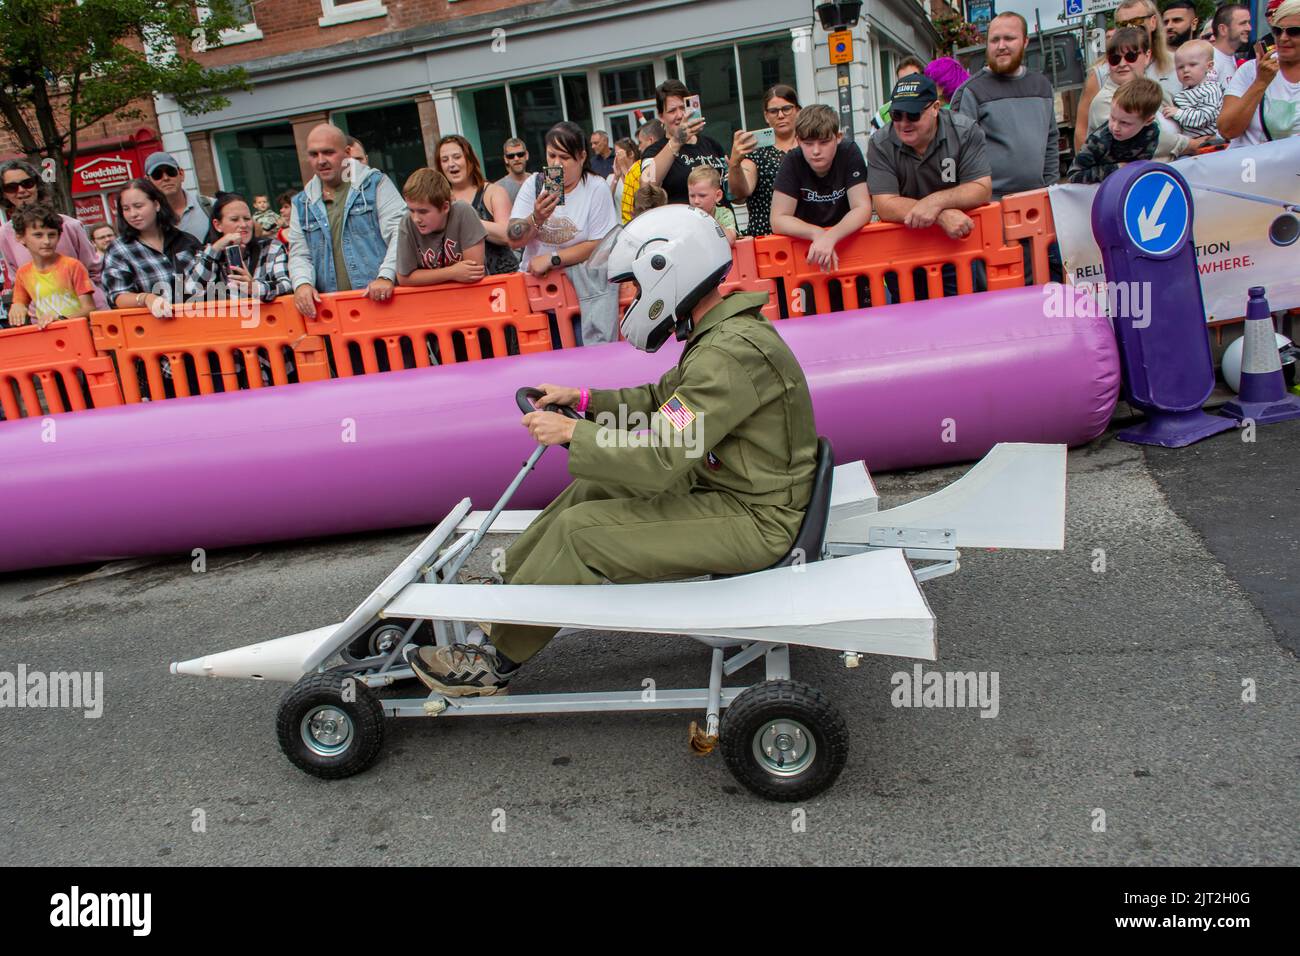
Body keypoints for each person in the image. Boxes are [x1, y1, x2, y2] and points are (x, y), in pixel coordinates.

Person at [402, 205, 818, 697]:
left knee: (584, 534)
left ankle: (494, 660)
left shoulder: (729, 355)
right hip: (729, 487)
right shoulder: (719, 338)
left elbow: (661, 458)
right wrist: (583, 401)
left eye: (636, 287)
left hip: (756, 517)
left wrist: (572, 434)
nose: (633, 300)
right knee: (593, 486)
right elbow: (659, 404)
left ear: (669, 273)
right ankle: (511, 591)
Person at [287, 124, 405, 319]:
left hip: (383, 308)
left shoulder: (375, 183)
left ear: (347, 152)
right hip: (333, 315)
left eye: (328, 152)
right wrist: (302, 284)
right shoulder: (302, 202)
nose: (321, 160)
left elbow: (400, 233)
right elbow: (300, 253)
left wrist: (386, 276)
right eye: (314, 154)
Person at [867, 75, 992, 241]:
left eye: (913, 115)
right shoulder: (880, 143)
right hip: (907, 245)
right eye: (896, 115)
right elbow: (884, 205)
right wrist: (940, 214)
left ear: (935, 108)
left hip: (961, 240)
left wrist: (935, 202)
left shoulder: (964, 132)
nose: (904, 123)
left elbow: (981, 189)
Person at [952, 12, 1059, 198]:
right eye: (994, 40)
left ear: (1025, 42)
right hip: (991, 204)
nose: (1001, 46)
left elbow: (1051, 141)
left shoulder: (1042, 86)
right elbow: (958, 154)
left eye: (1009, 38)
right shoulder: (970, 92)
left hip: (1037, 199)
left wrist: (1051, 190)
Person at [505, 121, 619, 277]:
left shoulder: (596, 187)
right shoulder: (535, 184)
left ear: (582, 157)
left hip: (579, 283)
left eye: (564, 157)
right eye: (551, 155)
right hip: (534, 281)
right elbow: (513, 241)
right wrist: (536, 218)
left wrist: (553, 259)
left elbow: (600, 243)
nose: (556, 163)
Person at [770, 104, 872, 272]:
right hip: (806, 257)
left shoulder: (849, 152)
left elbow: (862, 207)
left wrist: (831, 237)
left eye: (824, 142)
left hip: (851, 249)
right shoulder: (792, 161)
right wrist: (817, 233)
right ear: (798, 141)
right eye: (808, 144)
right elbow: (778, 219)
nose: (816, 151)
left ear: (838, 137)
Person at [1074, 0, 1179, 151]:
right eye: (1123, 25)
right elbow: (1082, 131)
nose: (1131, 28)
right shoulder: (1101, 73)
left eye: (1137, 22)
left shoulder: (1176, 64)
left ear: (1153, 22)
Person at [1, 159, 106, 309]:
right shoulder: (5, 234)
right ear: (4, 194)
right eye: (11, 187)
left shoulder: (70, 225)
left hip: (88, 313)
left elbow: (94, 271)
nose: (21, 190)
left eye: (27, 183)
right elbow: (18, 281)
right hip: (45, 321)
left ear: (37, 184)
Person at [1085, 28, 1199, 159]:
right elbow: (1137, 141)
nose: (1122, 64)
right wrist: (1191, 144)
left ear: (1147, 56)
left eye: (1131, 56)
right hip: (1140, 177)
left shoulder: (1158, 92)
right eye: (1115, 59)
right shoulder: (1104, 101)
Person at [101, 177, 203, 315]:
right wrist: (146, 298)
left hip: (199, 323)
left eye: (138, 206)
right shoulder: (119, 250)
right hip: (153, 330)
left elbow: (210, 283)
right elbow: (118, 296)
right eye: (126, 209)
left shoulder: (186, 241)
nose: (133, 214)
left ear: (156, 204)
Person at [185, 192, 293, 302]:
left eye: (247, 218)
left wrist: (255, 288)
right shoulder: (206, 254)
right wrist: (215, 249)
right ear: (218, 225)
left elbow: (287, 284)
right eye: (234, 219)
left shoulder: (271, 247)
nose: (243, 225)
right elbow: (191, 289)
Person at [1219, 0, 1300, 146]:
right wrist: (1261, 82)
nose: (1283, 38)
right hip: (1249, 165)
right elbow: (1227, 130)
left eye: (1294, 31)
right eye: (1277, 30)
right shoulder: (1250, 70)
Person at [436, 134, 518, 276]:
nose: (451, 164)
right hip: (461, 286)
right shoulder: (438, 201)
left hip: (500, 281)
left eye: (457, 157)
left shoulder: (493, 192)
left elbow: (507, 235)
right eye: (445, 160)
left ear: (470, 160)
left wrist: (468, 220)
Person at [727, 84, 801, 238]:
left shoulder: (810, 146)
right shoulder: (756, 151)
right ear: (766, 116)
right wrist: (734, 163)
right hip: (767, 237)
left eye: (786, 108)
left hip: (805, 233)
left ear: (797, 110)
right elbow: (740, 193)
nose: (780, 115)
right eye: (773, 111)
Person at [5, 204, 96, 329]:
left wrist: (60, 319)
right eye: (38, 235)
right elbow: (19, 302)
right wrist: (17, 307)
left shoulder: (72, 265)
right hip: (47, 337)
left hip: (78, 333)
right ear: (20, 238)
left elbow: (89, 308)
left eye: (52, 235)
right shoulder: (23, 272)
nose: (47, 241)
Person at [640, 80, 730, 205]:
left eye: (683, 108)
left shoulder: (711, 144)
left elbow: (733, 194)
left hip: (722, 222)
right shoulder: (654, 150)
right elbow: (646, 186)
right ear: (661, 116)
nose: (680, 115)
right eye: (672, 111)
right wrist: (677, 140)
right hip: (685, 222)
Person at [394, 168, 486, 287]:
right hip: (431, 300)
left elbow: (473, 272)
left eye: (423, 211)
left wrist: (424, 277)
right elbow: (404, 278)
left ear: (445, 207)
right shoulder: (407, 222)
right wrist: (452, 272)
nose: (416, 218)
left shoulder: (463, 212)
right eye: (411, 210)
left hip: (470, 296)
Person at [1069, 78, 1167, 183]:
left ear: (1148, 121)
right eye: (1112, 117)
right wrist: (1116, 169)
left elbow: (1141, 167)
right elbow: (1074, 175)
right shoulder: (1098, 140)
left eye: (1125, 123)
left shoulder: (1150, 133)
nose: (1115, 127)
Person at [142, 151, 213, 243]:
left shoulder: (209, 206)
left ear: (181, 174)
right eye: (157, 175)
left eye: (171, 172)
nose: (166, 178)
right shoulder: (148, 217)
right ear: (148, 181)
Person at [1162, 39, 1225, 139]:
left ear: (1209, 66)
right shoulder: (1185, 91)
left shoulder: (1211, 90)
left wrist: (1179, 114)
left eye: (1192, 65)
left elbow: (1205, 117)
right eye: (1180, 67)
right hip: (1191, 143)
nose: (1186, 70)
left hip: (1210, 142)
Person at [871, 57, 926, 131]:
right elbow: (875, 141)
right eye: (902, 81)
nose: (907, 84)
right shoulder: (883, 114)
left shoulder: (932, 106)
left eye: (912, 79)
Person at [687, 167, 737, 244]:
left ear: (717, 196)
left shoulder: (724, 214)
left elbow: (730, 240)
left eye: (702, 195)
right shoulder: (687, 217)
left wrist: (710, 220)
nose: (696, 201)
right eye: (692, 196)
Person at [1210, 4, 1253, 90]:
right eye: (1243, 23)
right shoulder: (1210, 62)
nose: (1249, 28)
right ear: (1223, 29)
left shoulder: (1232, 58)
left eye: (1248, 23)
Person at [496, 138, 531, 206]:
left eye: (520, 154)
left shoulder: (539, 181)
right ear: (506, 159)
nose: (516, 159)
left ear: (526, 155)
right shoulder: (498, 188)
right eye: (511, 156)